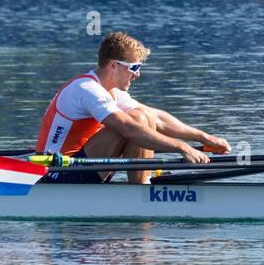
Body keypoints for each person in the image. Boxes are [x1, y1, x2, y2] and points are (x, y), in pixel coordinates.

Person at [37, 31, 230, 184]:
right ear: (114, 65)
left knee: (143, 115)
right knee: (134, 122)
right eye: (134, 68)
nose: (137, 75)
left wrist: (204, 137)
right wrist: (181, 147)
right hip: (58, 173)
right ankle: (142, 189)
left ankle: (141, 184)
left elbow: (157, 118)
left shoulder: (111, 91)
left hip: (83, 167)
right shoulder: (87, 89)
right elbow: (128, 129)